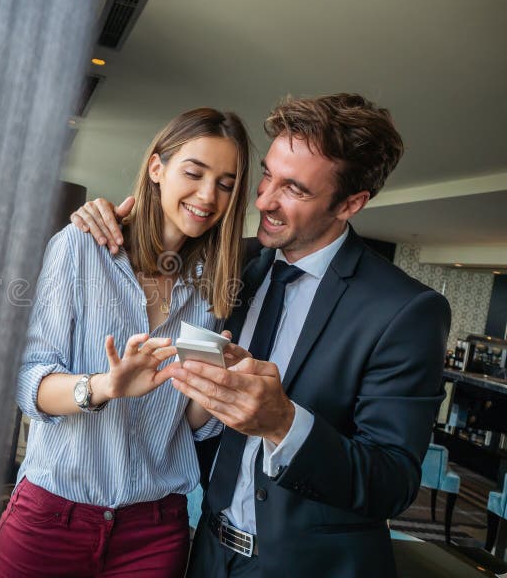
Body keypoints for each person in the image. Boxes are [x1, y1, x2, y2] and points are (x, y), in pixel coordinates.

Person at [71, 93, 452, 577]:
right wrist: (97, 216)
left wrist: (284, 424)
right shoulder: (232, 263)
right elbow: (152, 234)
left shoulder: (406, 310)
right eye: (267, 174)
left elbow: (393, 482)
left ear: (351, 203)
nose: (264, 200)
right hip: (204, 553)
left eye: (294, 188)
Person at [0, 108, 252, 577]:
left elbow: (189, 427)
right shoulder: (80, 246)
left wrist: (213, 388)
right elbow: (29, 383)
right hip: (51, 517)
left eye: (226, 183)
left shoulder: (213, 286)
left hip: (152, 531)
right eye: (194, 172)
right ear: (156, 168)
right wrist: (103, 387)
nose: (208, 195)